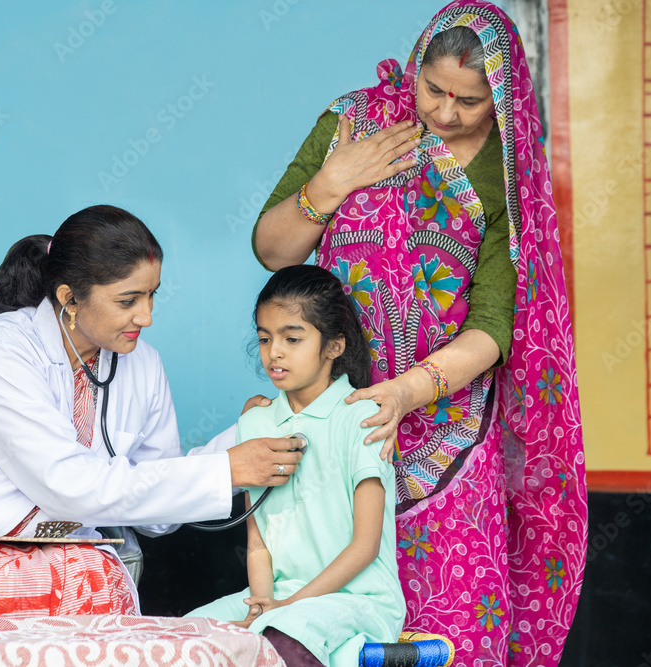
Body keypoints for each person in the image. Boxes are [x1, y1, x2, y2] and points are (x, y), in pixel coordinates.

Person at [250, 3, 587, 665]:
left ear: (502, 96)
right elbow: (273, 249)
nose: (446, 113)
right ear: (415, 69)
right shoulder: (353, 123)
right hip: (340, 417)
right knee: (329, 627)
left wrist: (407, 393)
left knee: (453, 628)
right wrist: (331, 182)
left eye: (470, 100)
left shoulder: (505, 174)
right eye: (434, 90)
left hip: (451, 432)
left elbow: (494, 326)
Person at [0, 205, 304, 628]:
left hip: (67, 552)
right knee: (12, 586)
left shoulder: (143, 363)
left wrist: (240, 442)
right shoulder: (1, 349)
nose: (145, 317)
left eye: (152, 296)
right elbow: (66, 486)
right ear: (69, 297)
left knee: (92, 578)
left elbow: (156, 517)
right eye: (128, 300)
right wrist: (224, 469)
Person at [190, 265, 405, 667]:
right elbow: (258, 544)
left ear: (334, 345)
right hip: (280, 595)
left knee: (281, 637)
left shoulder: (362, 418)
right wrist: (261, 605)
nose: (275, 352)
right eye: (265, 338)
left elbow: (365, 547)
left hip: (356, 598)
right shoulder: (254, 423)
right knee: (185, 636)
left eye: (292, 338)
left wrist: (286, 606)